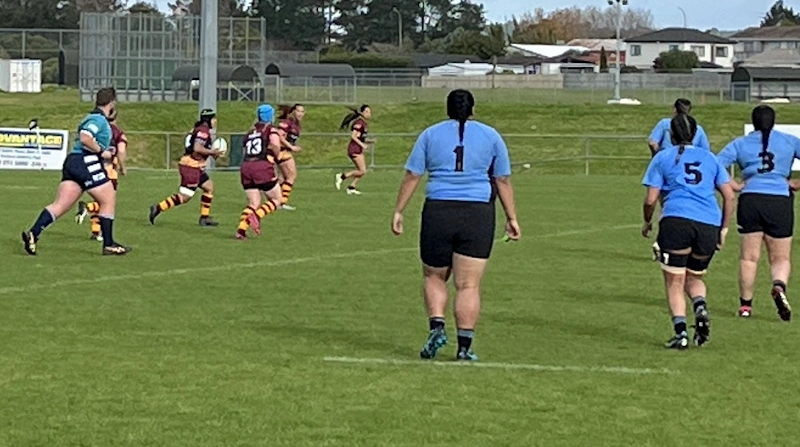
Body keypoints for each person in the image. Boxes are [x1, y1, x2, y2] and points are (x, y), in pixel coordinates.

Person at [391, 89, 521, 361]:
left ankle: (437, 326)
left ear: (447, 108)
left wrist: (399, 210)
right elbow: (503, 180)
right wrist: (512, 217)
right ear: (472, 109)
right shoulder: (491, 136)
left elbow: (413, 174)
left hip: (439, 210)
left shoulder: (430, 134)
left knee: (433, 276)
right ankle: (464, 347)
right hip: (477, 213)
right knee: (468, 285)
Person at [642, 113, 735, 349]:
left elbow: (651, 199)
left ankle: (681, 333)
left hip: (676, 221)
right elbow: (729, 195)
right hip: (707, 224)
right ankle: (700, 305)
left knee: (674, 281)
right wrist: (723, 228)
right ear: (695, 134)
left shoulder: (663, 157)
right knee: (695, 276)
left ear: (671, 135)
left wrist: (647, 222)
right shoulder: (710, 158)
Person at [21, 87, 130, 256]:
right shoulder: (98, 119)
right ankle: (108, 244)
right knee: (108, 197)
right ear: (111, 103)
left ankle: (33, 233)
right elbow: (86, 137)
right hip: (85, 160)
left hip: (74, 161)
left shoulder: (93, 118)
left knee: (61, 205)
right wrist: (102, 152)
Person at [716, 105, 800, 321]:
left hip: (751, 200)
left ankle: (745, 306)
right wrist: (796, 183)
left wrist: (734, 184)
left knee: (749, 258)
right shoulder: (789, 141)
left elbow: (716, 164)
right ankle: (779, 287)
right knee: (780, 257)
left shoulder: (741, 143)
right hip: (779, 200)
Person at [648, 99, 712, 261]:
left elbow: (652, 142)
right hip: (691, 175)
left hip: (668, 171)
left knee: (667, 206)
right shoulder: (698, 129)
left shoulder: (664, 124)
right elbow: (706, 152)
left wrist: (656, 156)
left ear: (674, 109)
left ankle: (663, 242)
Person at [148, 109, 223, 226]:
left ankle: (204, 217)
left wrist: (212, 154)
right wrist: (213, 152)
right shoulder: (203, 131)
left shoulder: (198, 129)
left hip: (195, 165)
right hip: (191, 166)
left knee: (209, 187)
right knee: (185, 197)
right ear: (208, 120)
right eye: (213, 119)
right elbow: (197, 148)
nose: (215, 121)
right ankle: (158, 207)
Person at [75, 109, 128, 241]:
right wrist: (123, 167)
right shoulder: (117, 132)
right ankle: (87, 208)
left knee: (100, 200)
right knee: (107, 202)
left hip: (95, 167)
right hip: (110, 170)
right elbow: (121, 150)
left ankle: (96, 231)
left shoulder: (99, 128)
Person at [235, 105, 284, 239]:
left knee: (253, 203)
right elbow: (274, 144)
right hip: (261, 166)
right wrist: (277, 155)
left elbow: (245, 149)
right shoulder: (270, 130)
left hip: (246, 166)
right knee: (276, 199)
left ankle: (241, 230)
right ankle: (256, 216)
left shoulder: (250, 132)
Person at [335, 105, 373, 195]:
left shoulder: (364, 123)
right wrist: (363, 145)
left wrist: (368, 141)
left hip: (358, 149)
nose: (369, 114)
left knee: (362, 170)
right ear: (362, 113)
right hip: (354, 149)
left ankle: (351, 187)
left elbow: (360, 137)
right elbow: (353, 136)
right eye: (367, 111)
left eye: (370, 112)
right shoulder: (359, 123)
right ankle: (342, 176)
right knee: (362, 170)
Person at [275, 104, 305, 211]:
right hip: (283, 152)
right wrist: (291, 147)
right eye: (298, 111)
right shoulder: (287, 123)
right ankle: (281, 203)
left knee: (282, 179)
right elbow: (279, 135)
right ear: (293, 112)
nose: (300, 114)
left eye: (302, 112)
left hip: (284, 152)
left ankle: (274, 200)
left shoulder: (296, 124)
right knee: (291, 176)